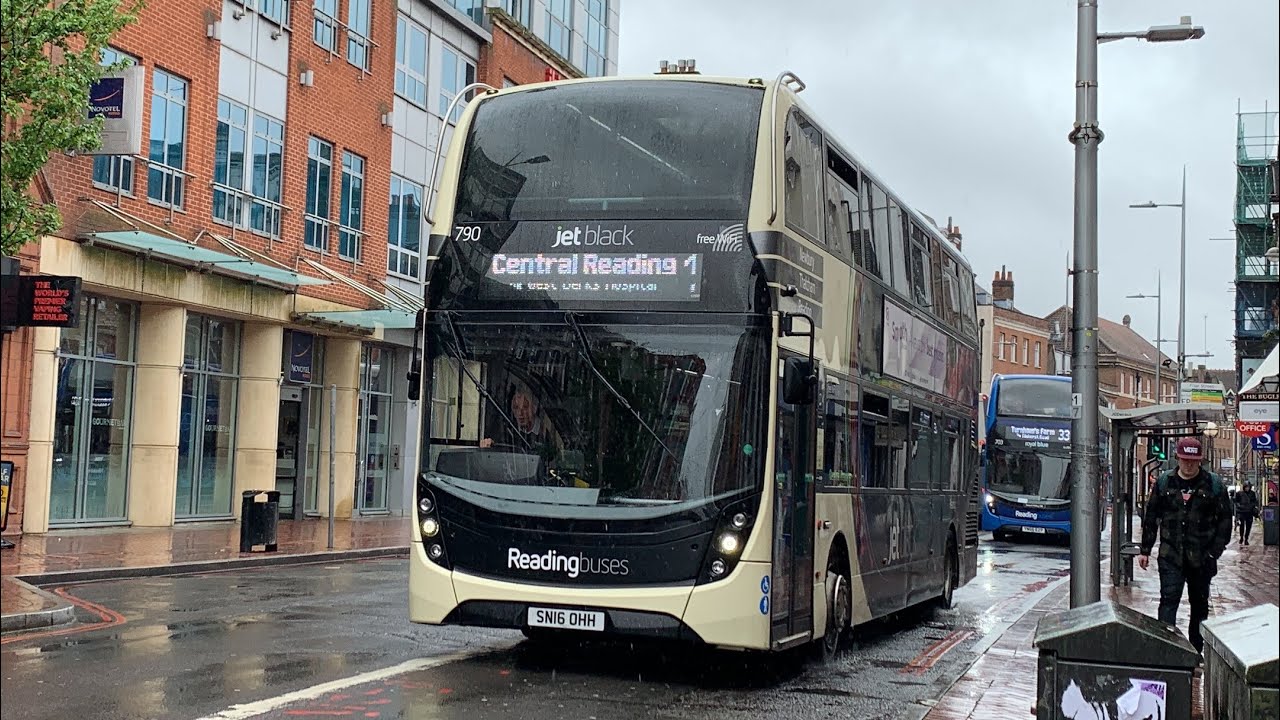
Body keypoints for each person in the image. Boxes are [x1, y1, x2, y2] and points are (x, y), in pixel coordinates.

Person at [1138, 436, 1234, 654]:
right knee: (1168, 600)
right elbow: (1152, 516)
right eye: (1185, 460)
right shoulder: (1164, 483)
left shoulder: (1214, 484)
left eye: (1193, 460)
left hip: (1202, 557)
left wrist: (1214, 552)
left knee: (1199, 606)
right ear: (1177, 459)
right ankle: (1167, 650)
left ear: (1200, 461)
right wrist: (1145, 550)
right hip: (1171, 554)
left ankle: (1194, 651)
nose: (1189, 465)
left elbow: (1225, 522)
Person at [479, 385, 563, 462]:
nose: (520, 413)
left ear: (534, 407)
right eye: (516, 408)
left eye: (525, 407)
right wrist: (489, 446)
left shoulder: (546, 433)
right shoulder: (507, 431)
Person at [1234, 481, 1260, 545]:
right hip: (1242, 512)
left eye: (1248, 487)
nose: (1247, 488)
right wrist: (1239, 506)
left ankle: (1246, 538)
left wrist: (1252, 506)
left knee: (1248, 526)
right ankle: (1241, 537)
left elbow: (1255, 501)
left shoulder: (1252, 493)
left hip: (1249, 512)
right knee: (1242, 526)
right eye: (1246, 487)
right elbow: (1235, 501)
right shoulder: (1239, 493)